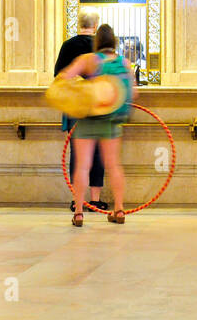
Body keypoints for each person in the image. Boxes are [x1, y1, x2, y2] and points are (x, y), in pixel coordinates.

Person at [58, 23, 137, 225]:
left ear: (97, 42)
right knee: (114, 165)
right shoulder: (124, 63)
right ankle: (119, 210)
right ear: (115, 42)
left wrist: (81, 90)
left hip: (87, 118)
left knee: (83, 166)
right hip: (112, 120)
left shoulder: (89, 60)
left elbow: (63, 77)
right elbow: (133, 93)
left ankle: (78, 212)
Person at [54, 13, 107, 213]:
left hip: (76, 106)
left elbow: (58, 76)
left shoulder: (68, 45)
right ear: (96, 25)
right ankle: (95, 200)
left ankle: (78, 201)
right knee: (98, 152)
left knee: (78, 153)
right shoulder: (102, 47)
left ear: (79, 24)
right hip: (98, 106)